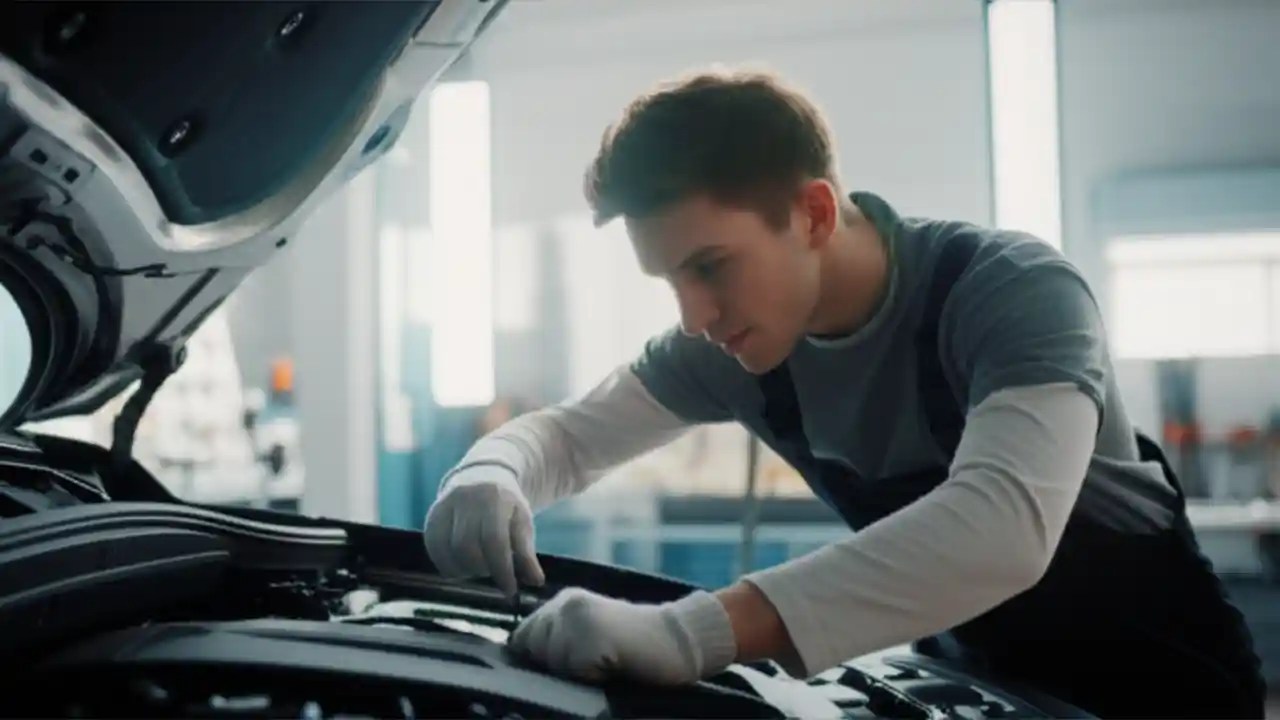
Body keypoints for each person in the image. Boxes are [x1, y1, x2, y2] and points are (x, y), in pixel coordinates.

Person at [423, 68, 1264, 718]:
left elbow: (1003, 530)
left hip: (1161, 690)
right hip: (982, 687)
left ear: (816, 214)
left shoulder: (1013, 291)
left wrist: (688, 633)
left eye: (709, 266)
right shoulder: (734, 342)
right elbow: (568, 438)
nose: (693, 316)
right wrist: (493, 469)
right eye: (670, 281)